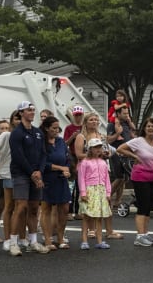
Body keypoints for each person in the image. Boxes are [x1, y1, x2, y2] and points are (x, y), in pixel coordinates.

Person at [8, 100, 49, 256]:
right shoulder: (16, 133)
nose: (32, 112)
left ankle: (33, 241)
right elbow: (18, 156)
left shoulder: (38, 132)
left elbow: (44, 153)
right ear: (21, 113)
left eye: (33, 109)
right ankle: (13, 242)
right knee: (21, 206)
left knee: (34, 208)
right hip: (21, 174)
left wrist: (40, 171)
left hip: (36, 174)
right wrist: (32, 173)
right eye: (28, 110)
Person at [116, 116, 153, 247]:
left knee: (149, 206)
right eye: (148, 126)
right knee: (142, 206)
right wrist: (134, 155)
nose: (150, 128)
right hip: (140, 177)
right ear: (144, 128)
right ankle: (139, 236)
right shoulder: (138, 141)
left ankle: (145, 234)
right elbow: (120, 148)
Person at [0, 112, 21, 246]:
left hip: (15, 175)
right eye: (1, 128)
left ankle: (14, 235)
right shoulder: (4, 137)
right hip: (0, 175)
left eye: (5, 128)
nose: (4, 130)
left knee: (14, 207)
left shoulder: (20, 136)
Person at [40, 116, 72, 249]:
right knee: (46, 208)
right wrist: (59, 168)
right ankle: (47, 239)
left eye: (58, 128)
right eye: (53, 128)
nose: (56, 130)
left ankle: (60, 238)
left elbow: (67, 158)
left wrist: (67, 170)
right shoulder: (41, 143)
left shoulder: (60, 142)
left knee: (64, 209)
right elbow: (42, 162)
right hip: (47, 178)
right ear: (47, 128)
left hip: (61, 179)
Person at [77, 138, 111, 250]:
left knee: (99, 217)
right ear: (90, 149)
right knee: (86, 216)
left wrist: (108, 192)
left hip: (101, 190)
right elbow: (81, 178)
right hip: (89, 190)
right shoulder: (84, 162)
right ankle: (84, 241)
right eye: (95, 147)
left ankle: (100, 241)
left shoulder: (103, 162)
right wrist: (83, 192)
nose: (98, 149)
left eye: (99, 147)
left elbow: (107, 179)